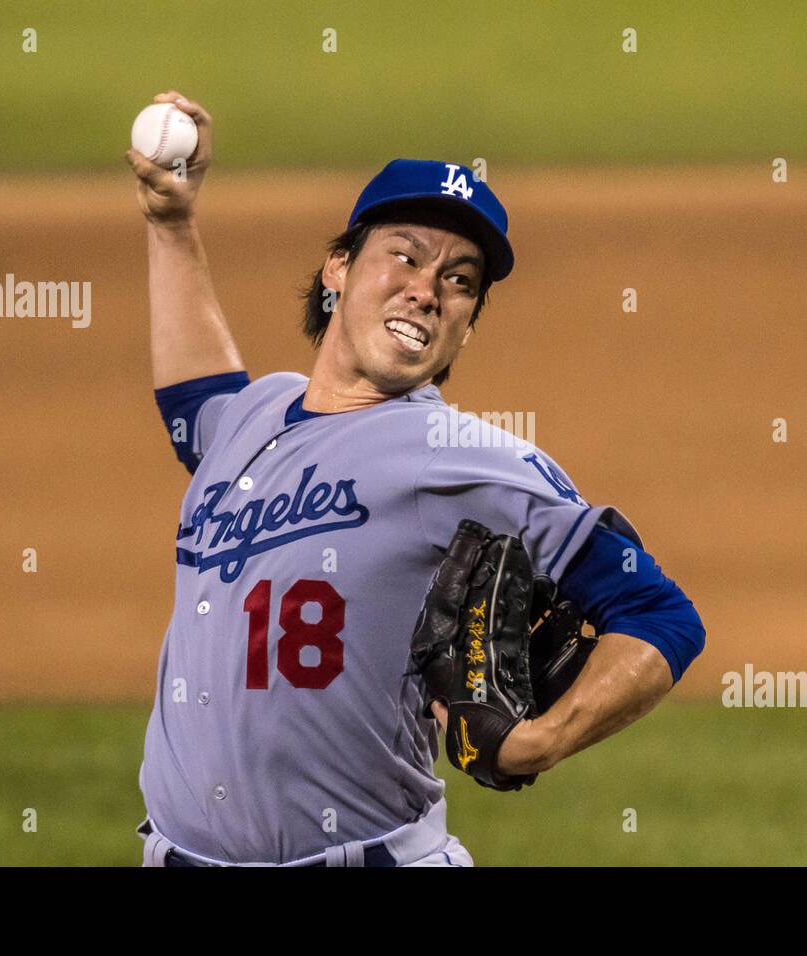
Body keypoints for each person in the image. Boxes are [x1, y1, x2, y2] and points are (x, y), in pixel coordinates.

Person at [124, 90, 706, 867]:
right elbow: (192, 398)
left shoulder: (460, 456)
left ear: (466, 321)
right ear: (338, 267)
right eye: (404, 254)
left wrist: (539, 742)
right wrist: (171, 223)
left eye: (461, 280)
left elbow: (660, 613)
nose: (428, 289)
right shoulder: (248, 418)